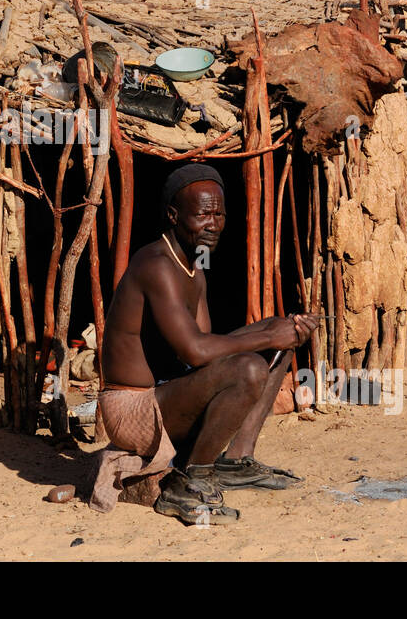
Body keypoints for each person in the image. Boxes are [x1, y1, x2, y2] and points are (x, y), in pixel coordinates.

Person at [89, 163, 318, 525]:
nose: (213, 224)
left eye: (219, 214)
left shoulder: (193, 265)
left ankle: (236, 461)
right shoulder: (157, 264)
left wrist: (277, 331)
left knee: (280, 340)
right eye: (203, 215)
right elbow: (194, 351)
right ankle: (190, 479)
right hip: (132, 409)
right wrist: (264, 337)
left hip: (166, 394)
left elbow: (208, 349)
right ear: (173, 215)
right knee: (249, 366)